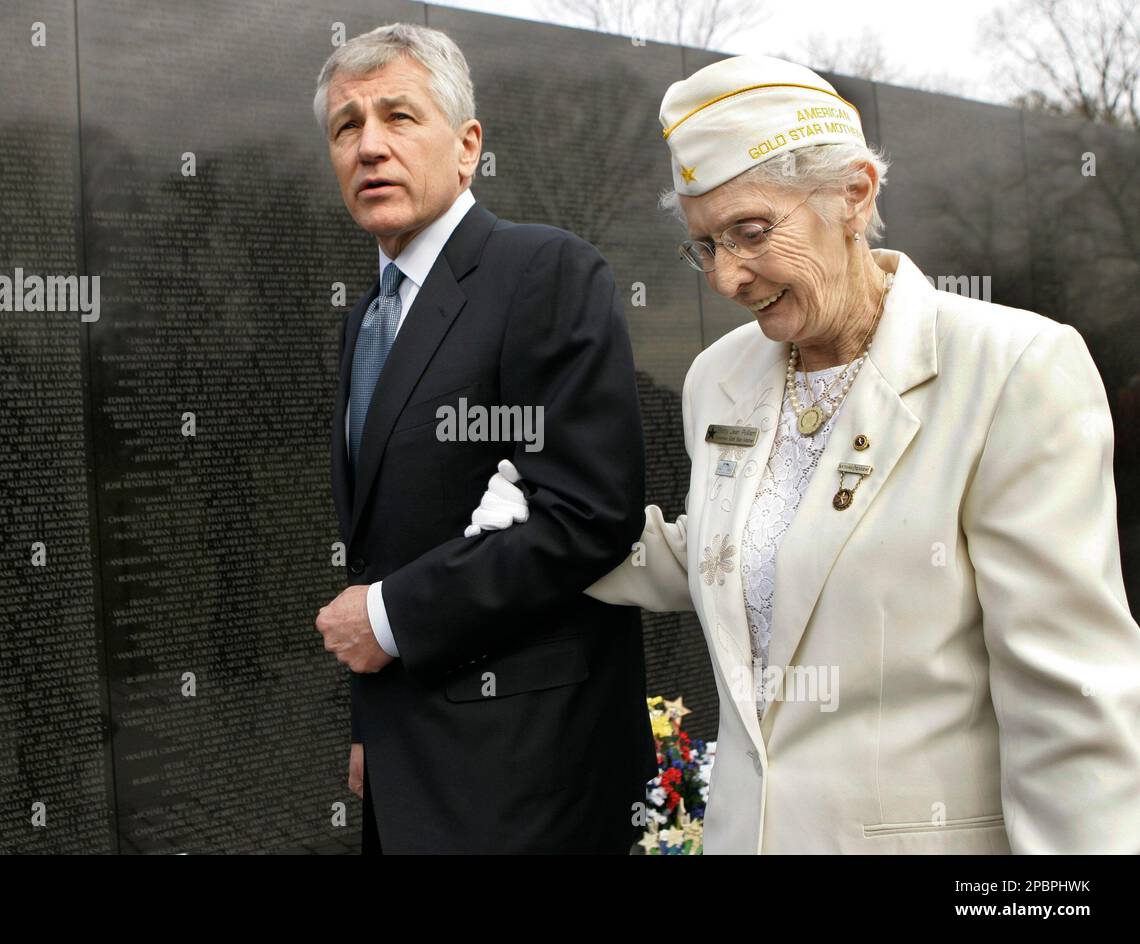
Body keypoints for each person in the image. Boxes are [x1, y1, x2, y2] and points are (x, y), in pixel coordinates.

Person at [466, 54, 1140, 853]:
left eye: (750, 233)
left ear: (855, 193)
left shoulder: (1011, 368)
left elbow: (1069, 702)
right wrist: (551, 525)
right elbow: (735, 555)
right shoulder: (721, 377)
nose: (725, 277)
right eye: (704, 246)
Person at [311, 23, 656, 854]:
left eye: (399, 117)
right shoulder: (366, 315)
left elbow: (589, 513)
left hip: (529, 774)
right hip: (409, 763)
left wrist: (389, 619)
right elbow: (382, 544)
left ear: (468, 148)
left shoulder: (545, 274)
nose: (369, 146)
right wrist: (375, 726)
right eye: (347, 126)